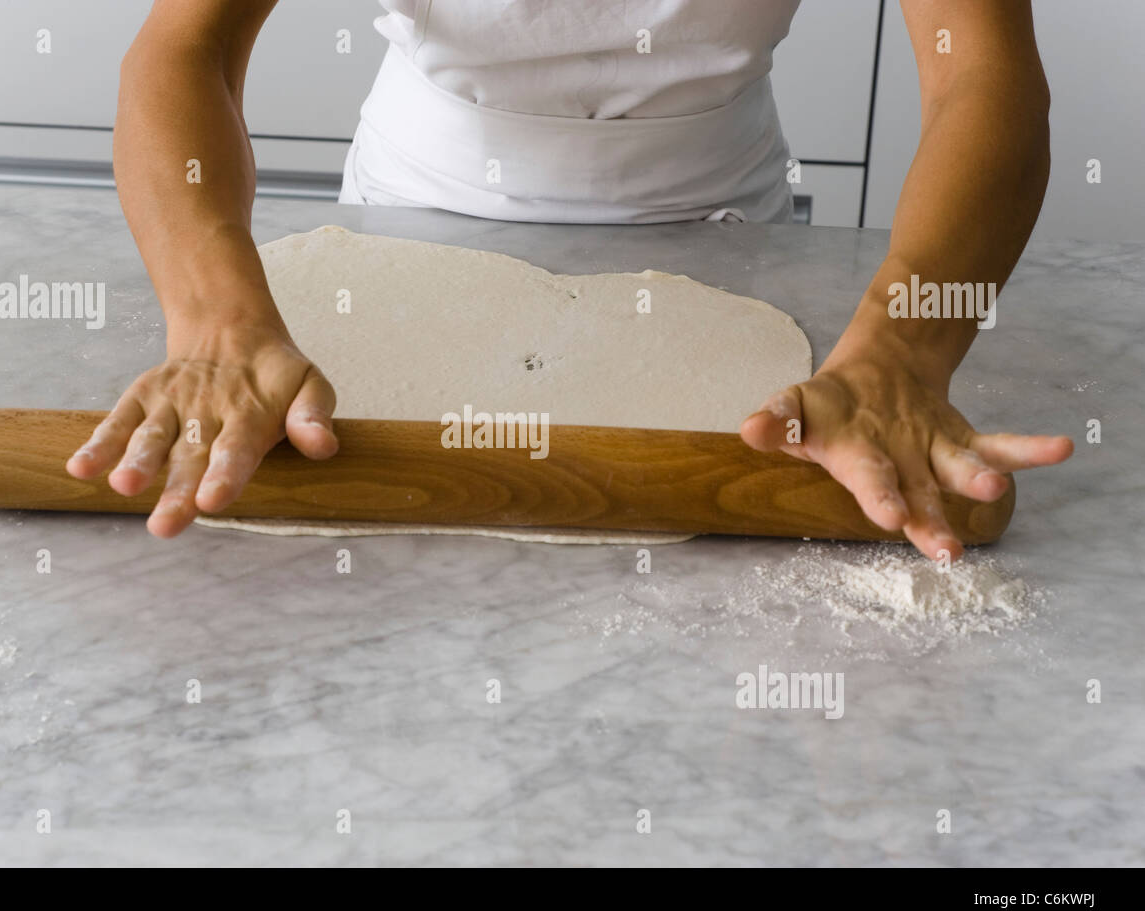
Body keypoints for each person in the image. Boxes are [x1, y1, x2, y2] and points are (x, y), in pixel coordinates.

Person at [66, 0, 1073, 560]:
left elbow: (978, 73)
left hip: (717, 220)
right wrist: (214, 317)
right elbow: (184, 45)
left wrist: (901, 349)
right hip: (417, 203)